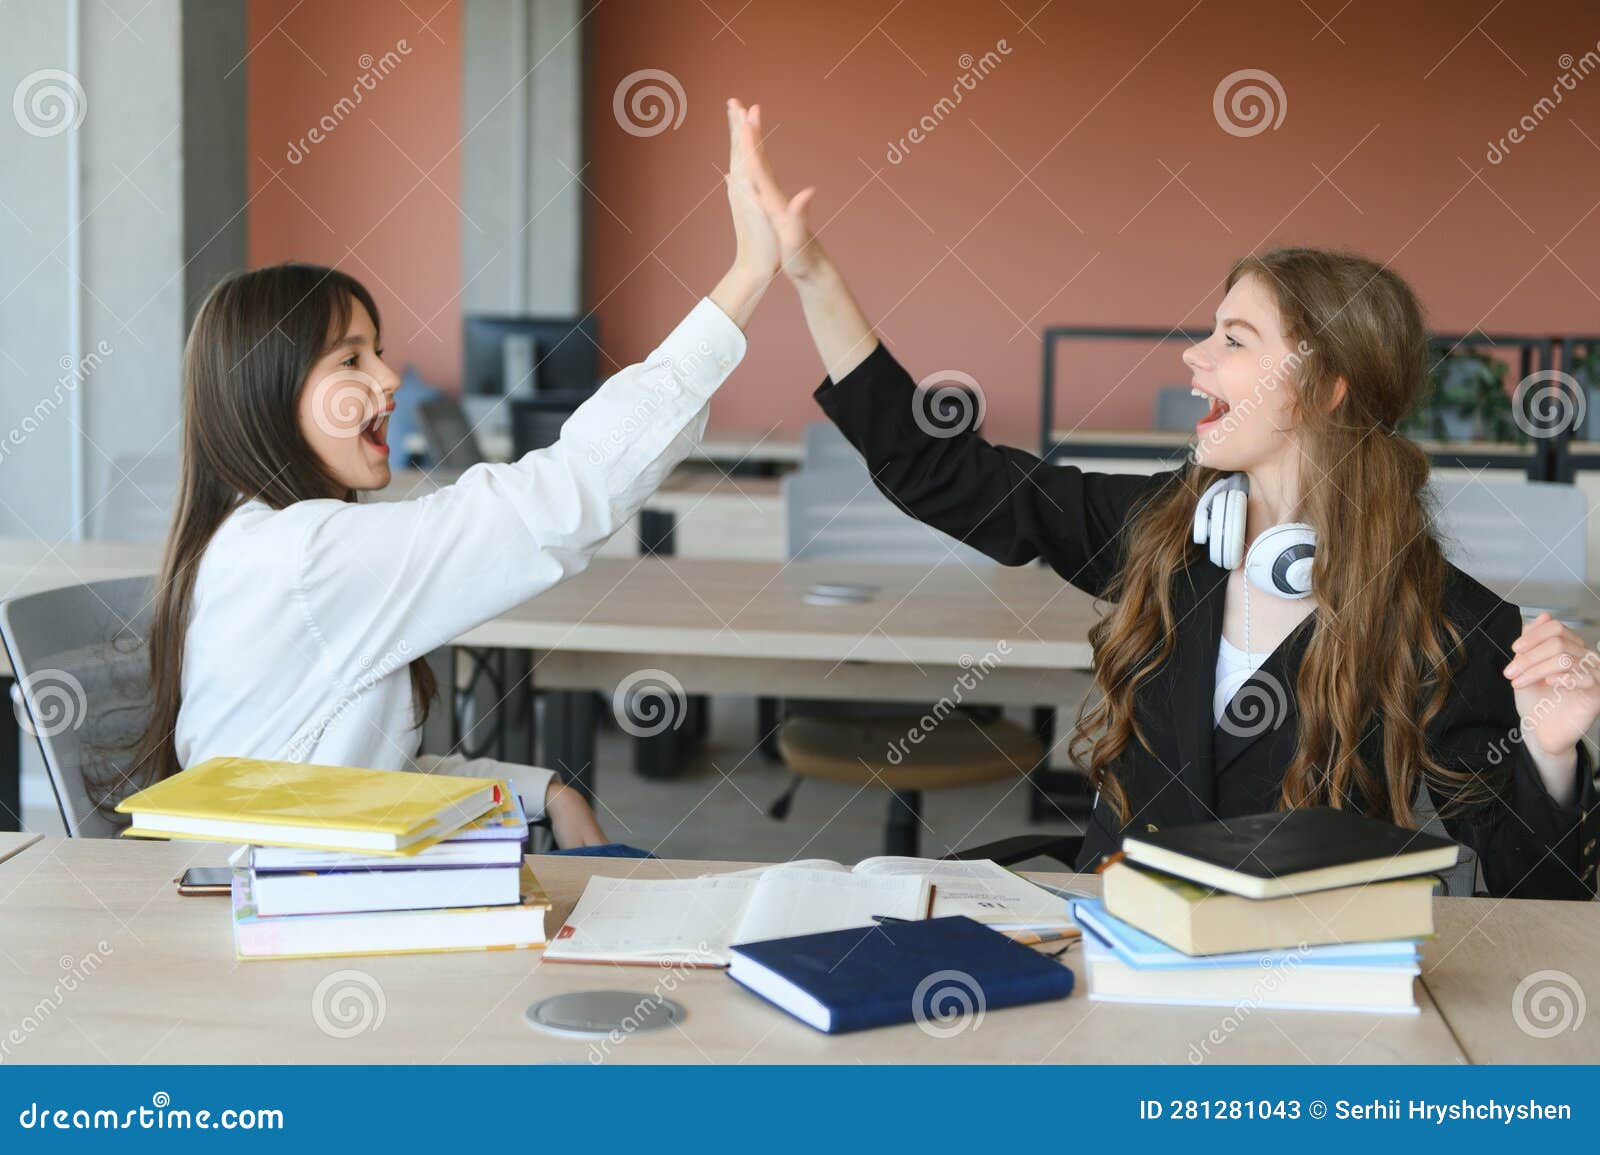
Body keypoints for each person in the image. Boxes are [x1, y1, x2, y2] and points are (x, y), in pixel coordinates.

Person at [738, 105, 1599, 898]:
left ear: (1327, 387)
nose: (1194, 356)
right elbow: (945, 473)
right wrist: (810, 273)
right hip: (1117, 951)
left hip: (1302, 991)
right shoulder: (1163, 531)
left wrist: (1551, 753)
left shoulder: (1448, 620)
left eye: (1233, 339)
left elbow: (1543, 898)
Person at [127, 100, 781, 848]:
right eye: (351, 359)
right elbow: (556, 501)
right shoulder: (304, 554)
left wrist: (546, 794)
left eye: (378, 350)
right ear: (269, 391)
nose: (387, 379)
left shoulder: (261, 541)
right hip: (288, 921)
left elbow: (358, 777)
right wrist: (751, 274)